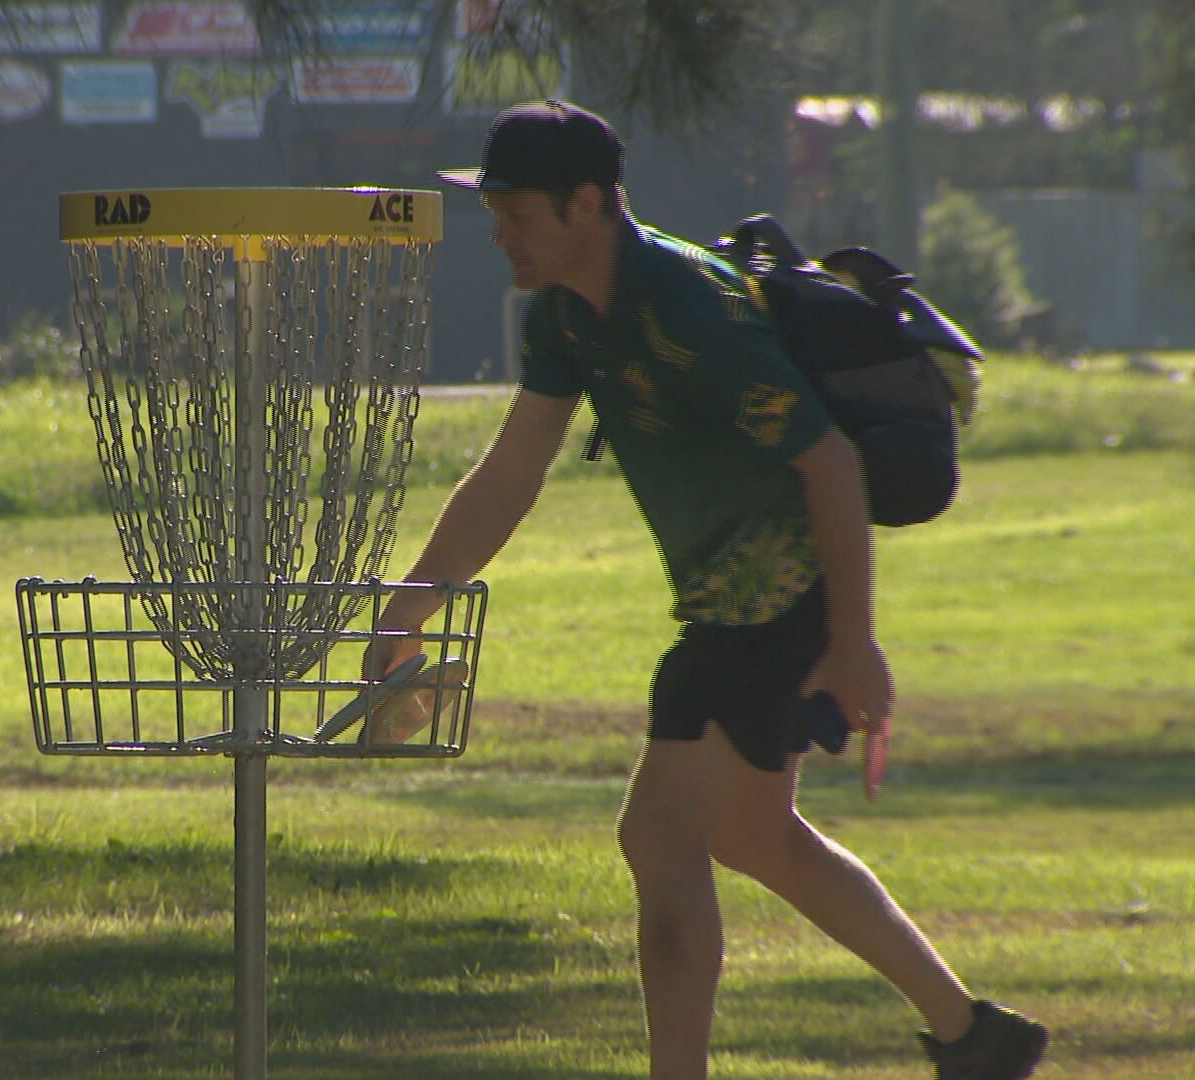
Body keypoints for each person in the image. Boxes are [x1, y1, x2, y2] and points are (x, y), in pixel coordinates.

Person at [363, 100, 1049, 1080]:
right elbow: (512, 473)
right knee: (753, 836)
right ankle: (975, 1037)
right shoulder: (568, 316)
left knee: (661, 834)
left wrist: (852, 643)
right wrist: (409, 605)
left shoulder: (688, 304)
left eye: (518, 213)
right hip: (724, 608)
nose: (501, 234)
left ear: (588, 205)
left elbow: (829, 467)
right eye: (496, 213)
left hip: (783, 598)